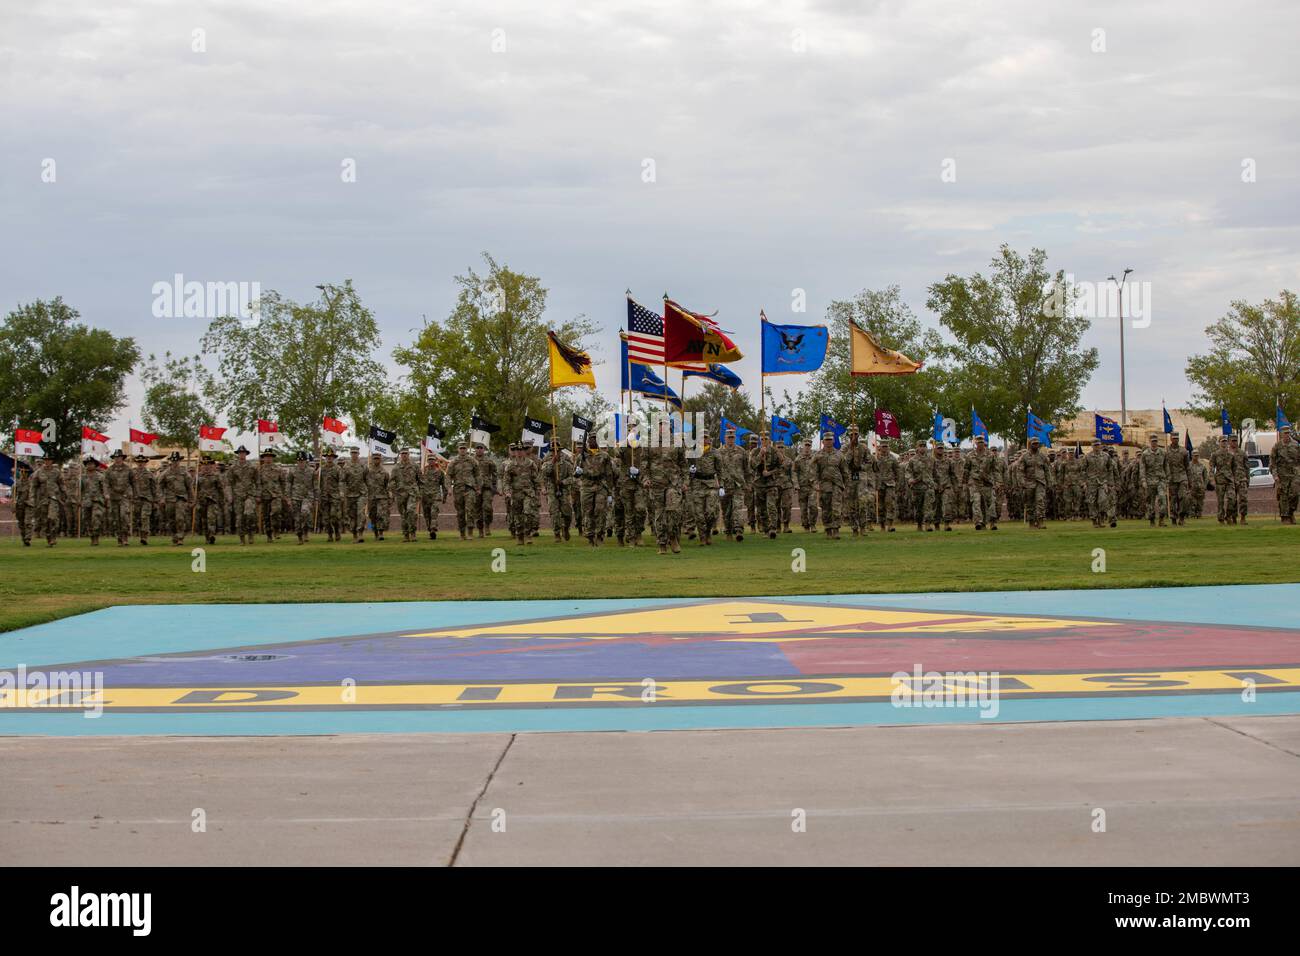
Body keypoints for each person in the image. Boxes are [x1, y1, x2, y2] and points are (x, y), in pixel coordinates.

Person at [577, 433, 615, 547]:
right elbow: (575, 473)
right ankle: (590, 537)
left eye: (594, 439)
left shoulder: (604, 455)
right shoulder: (582, 456)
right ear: (588, 442)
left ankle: (599, 535)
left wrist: (609, 492)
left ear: (597, 441)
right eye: (590, 439)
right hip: (587, 486)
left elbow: (609, 474)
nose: (592, 441)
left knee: (600, 511)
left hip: (600, 486)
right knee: (587, 512)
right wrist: (577, 471)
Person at [812, 432, 849, 539]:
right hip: (824, 485)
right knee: (826, 509)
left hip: (837, 485)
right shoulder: (817, 456)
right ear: (823, 442)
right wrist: (815, 483)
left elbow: (845, 471)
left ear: (833, 441)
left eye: (830, 440)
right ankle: (828, 530)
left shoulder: (839, 455)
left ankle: (836, 529)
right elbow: (812, 471)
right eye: (826, 440)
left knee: (836, 508)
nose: (828, 442)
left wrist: (846, 485)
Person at [689, 433, 721, 546]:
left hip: (711, 485)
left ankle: (708, 533)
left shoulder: (715, 452)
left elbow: (720, 470)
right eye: (701, 437)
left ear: (709, 439)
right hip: (697, 484)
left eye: (706, 437)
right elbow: (686, 466)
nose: (704, 439)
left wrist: (721, 486)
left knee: (711, 512)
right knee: (698, 514)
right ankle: (702, 537)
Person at [717, 427, 749, 541]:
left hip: (738, 485)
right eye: (728, 437)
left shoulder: (741, 451)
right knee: (726, 511)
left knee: (738, 508)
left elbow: (747, 469)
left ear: (735, 438)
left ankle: (738, 530)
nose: (730, 439)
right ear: (725, 438)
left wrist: (747, 483)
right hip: (724, 486)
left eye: (732, 437)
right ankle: (728, 531)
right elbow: (716, 470)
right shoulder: (719, 452)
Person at [447, 442, 480, 540]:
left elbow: (477, 475)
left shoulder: (472, 461)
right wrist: (449, 487)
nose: (462, 450)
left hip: (470, 488)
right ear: (458, 449)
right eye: (461, 448)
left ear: (466, 449)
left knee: (470, 510)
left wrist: (478, 487)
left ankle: (470, 532)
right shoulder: (453, 462)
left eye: (464, 448)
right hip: (458, 489)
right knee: (460, 512)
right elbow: (448, 475)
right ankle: (462, 533)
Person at [966, 435, 998, 530]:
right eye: (978, 442)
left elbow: (995, 470)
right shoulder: (970, 455)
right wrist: (964, 483)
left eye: (981, 442)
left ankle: (992, 522)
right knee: (976, 502)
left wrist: (998, 482)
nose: (980, 444)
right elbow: (966, 470)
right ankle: (978, 522)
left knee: (990, 502)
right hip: (974, 482)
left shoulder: (990, 455)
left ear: (984, 443)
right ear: (975, 443)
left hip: (987, 482)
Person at [160, 451, 191, 546]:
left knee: (180, 518)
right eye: (173, 460)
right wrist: (161, 498)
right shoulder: (165, 473)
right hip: (169, 499)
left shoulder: (184, 473)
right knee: (171, 520)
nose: (175, 462)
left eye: (176, 460)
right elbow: (160, 486)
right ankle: (174, 536)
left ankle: (180, 537)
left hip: (181, 498)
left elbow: (189, 487)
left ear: (179, 461)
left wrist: (192, 500)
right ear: (170, 461)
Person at [1138, 433, 1169, 527]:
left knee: (1163, 500)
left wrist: (1167, 478)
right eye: (1152, 441)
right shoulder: (1145, 454)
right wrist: (1143, 480)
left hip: (1161, 480)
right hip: (1149, 481)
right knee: (1150, 503)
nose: (1154, 443)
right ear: (1149, 442)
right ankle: (1152, 520)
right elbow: (1142, 468)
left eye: (1155, 441)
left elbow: (1166, 466)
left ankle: (1162, 519)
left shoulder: (1163, 453)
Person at [1019, 438, 1050, 529]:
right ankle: (1031, 522)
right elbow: (1020, 471)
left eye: (1037, 444)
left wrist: (1049, 482)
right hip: (1029, 483)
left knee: (1040, 501)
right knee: (1030, 503)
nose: (1036, 445)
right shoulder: (1024, 456)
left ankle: (1040, 521)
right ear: (1030, 444)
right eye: (1034, 444)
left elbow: (1047, 470)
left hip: (1040, 482)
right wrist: (1022, 482)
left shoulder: (1042, 456)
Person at [104, 449, 133, 546]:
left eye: (119, 457)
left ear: (122, 458)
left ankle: (125, 537)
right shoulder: (109, 470)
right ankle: (119, 538)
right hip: (113, 496)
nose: (118, 459)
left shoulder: (128, 469)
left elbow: (133, 482)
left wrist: (133, 494)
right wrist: (106, 494)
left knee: (124, 516)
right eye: (116, 457)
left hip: (124, 496)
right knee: (115, 518)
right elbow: (106, 483)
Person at [1082, 441, 1114, 528]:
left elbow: (1110, 469)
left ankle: (1101, 519)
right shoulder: (1087, 456)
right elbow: (1083, 470)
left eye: (1098, 445)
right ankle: (1094, 520)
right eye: (1095, 445)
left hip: (1103, 482)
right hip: (1091, 482)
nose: (1096, 447)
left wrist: (1110, 483)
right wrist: (1084, 482)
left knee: (1102, 500)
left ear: (1100, 445)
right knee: (1092, 502)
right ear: (1092, 446)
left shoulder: (1106, 456)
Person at [1272, 425, 1299, 523]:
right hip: (1282, 475)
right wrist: (1275, 475)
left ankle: (1291, 512)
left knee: (1295, 494)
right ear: (1281, 434)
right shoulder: (1277, 446)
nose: (1287, 435)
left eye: (1288, 433)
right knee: (1284, 496)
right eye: (1285, 433)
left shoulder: (1296, 445)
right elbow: (1272, 463)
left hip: (1295, 474)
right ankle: (1285, 516)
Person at [290, 451, 318, 544]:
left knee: (305, 512)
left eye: (302, 461)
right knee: (297, 518)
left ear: (306, 461)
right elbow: (288, 484)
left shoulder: (311, 471)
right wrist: (288, 497)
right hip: (295, 497)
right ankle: (300, 537)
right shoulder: (292, 471)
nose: (301, 463)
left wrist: (316, 498)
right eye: (299, 461)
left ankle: (306, 531)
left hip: (307, 497)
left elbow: (315, 486)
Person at [197, 455, 225, 544]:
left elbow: (221, 489)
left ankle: (212, 534)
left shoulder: (216, 476)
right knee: (204, 520)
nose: (206, 466)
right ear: (201, 466)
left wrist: (222, 500)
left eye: (208, 464)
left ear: (211, 465)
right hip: (201, 501)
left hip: (212, 500)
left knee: (211, 518)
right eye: (204, 465)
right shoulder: (198, 477)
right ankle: (207, 537)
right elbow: (194, 489)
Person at [80, 457, 108, 545]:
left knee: (96, 518)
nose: (90, 466)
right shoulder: (82, 477)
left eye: (91, 464)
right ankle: (91, 536)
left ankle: (96, 537)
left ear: (95, 465)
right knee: (87, 519)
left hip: (97, 500)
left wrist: (106, 497)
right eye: (88, 464)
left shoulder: (100, 476)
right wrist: (79, 499)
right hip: (86, 501)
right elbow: (80, 490)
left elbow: (104, 488)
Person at [420, 454, 448, 540]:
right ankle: (430, 529)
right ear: (427, 461)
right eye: (429, 460)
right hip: (425, 496)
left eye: (432, 460)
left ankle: (433, 529)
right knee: (426, 515)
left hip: (435, 496)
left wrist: (445, 497)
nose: (431, 461)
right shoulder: (422, 471)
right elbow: (418, 484)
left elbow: (444, 485)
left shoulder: (439, 472)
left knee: (434, 513)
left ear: (435, 461)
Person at [473, 444, 498, 537]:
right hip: (475, 488)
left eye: (481, 448)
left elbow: (494, 473)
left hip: (487, 487)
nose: (479, 450)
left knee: (487, 507)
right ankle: (480, 529)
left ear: (484, 450)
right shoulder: (471, 460)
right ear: (475, 450)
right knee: (477, 509)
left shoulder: (489, 461)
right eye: (477, 448)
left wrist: (494, 486)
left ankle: (487, 525)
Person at [319, 449, 344, 541]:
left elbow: (341, 482)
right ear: (325, 458)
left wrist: (341, 493)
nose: (329, 458)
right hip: (324, 496)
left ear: (333, 458)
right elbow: (318, 482)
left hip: (335, 496)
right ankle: (329, 534)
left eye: (331, 457)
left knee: (334, 516)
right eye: (327, 457)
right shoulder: (321, 469)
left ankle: (337, 531)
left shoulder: (338, 469)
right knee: (325, 518)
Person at [1165, 433, 1190, 525]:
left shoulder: (1184, 451)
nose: (1175, 440)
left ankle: (1182, 516)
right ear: (1171, 439)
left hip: (1182, 477)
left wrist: (1189, 479)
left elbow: (1187, 466)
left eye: (1177, 438)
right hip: (1171, 478)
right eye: (1174, 438)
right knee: (1173, 499)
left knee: (1184, 497)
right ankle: (1173, 517)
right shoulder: (1166, 451)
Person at [1210, 436, 1236, 523]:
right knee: (1220, 501)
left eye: (1225, 441)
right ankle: (1221, 518)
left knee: (1232, 498)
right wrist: (1212, 479)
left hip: (1229, 480)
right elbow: (1211, 467)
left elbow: (1234, 468)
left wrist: (1235, 479)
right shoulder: (1215, 455)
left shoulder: (1231, 455)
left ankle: (1228, 516)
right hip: (1220, 480)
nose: (1224, 443)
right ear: (1219, 443)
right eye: (1222, 441)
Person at [366, 451, 391, 541]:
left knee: (381, 514)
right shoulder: (367, 471)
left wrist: (389, 498)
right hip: (371, 497)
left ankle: (381, 533)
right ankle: (375, 532)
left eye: (378, 458)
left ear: (380, 460)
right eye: (375, 458)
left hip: (382, 497)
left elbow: (387, 485)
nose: (376, 460)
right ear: (372, 460)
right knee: (372, 516)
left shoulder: (384, 472)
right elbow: (364, 483)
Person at [794, 439, 818, 532]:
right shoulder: (798, 459)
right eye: (806, 445)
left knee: (813, 506)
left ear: (811, 446)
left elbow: (819, 470)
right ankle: (806, 525)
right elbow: (794, 472)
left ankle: (813, 524)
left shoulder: (815, 458)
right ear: (803, 446)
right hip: (802, 486)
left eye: (809, 445)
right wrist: (796, 484)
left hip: (812, 486)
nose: (807, 447)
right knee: (803, 508)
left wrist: (818, 482)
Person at [1230, 435, 1250, 524]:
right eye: (1232, 441)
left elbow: (1247, 467)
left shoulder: (1242, 453)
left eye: (1235, 441)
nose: (1234, 442)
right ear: (1229, 441)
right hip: (1231, 480)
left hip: (1242, 479)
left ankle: (1243, 517)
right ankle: (1233, 518)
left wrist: (1248, 479)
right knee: (1232, 500)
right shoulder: (1227, 453)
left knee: (1243, 499)